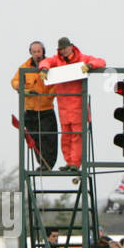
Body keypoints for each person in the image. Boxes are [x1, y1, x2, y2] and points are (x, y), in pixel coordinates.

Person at [37, 37, 106, 171]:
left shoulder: (82, 58)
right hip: (63, 107)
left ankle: (75, 163)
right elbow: (46, 61)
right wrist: (44, 69)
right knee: (66, 136)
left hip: (78, 107)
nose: (62, 51)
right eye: (60, 49)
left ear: (70, 47)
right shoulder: (56, 60)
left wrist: (90, 66)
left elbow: (101, 61)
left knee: (76, 136)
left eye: (64, 48)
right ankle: (69, 162)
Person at [11, 41, 58, 169]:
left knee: (49, 139)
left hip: (46, 109)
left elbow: (57, 84)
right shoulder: (25, 67)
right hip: (30, 110)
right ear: (30, 53)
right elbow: (15, 81)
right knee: (34, 139)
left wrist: (49, 96)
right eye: (34, 52)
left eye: (39, 51)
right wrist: (21, 89)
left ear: (43, 51)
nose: (37, 54)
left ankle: (47, 164)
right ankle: (42, 163)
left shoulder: (51, 66)